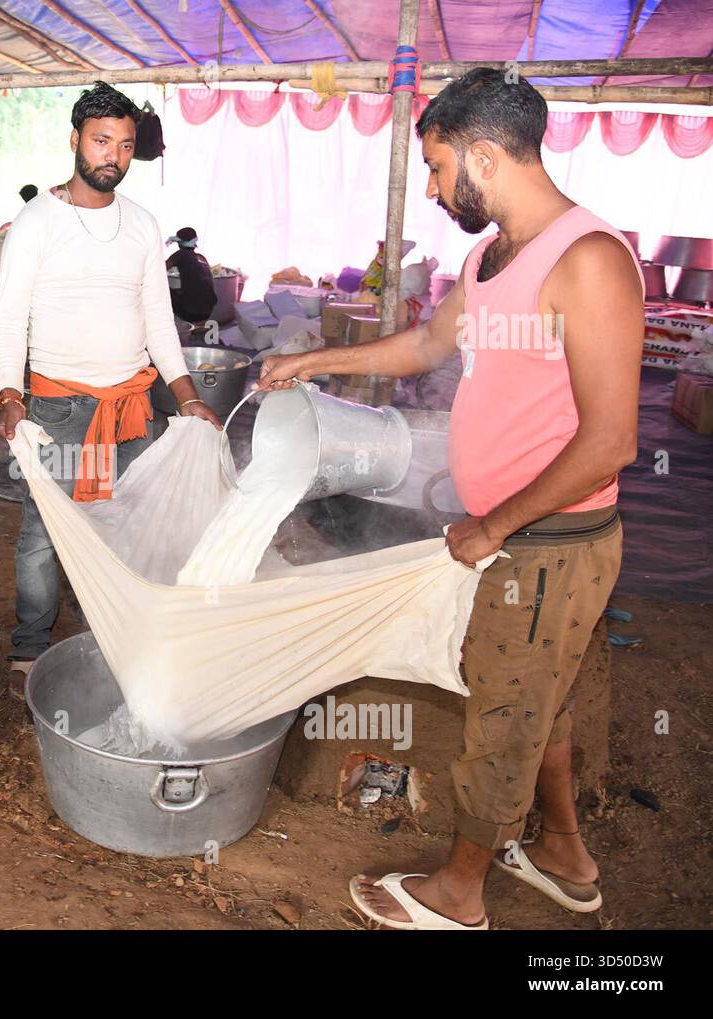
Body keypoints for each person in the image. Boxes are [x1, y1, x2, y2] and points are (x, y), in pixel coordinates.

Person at [257, 68, 643, 929]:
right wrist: (311, 367)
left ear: (485, 155)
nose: (433, 189)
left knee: (502, 714)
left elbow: (613, 439)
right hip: (514, 538)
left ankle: (459, 895)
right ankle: (565, 855)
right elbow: (431, 343)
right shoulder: (491, 253)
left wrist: (495, 522)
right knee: (543, 699)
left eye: (437, 170)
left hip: (549, 544)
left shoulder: (589, 261)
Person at [0, 82, 222, 695]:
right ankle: (29, 648)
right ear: (75, 140)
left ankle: (123, 636)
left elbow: (157, 322)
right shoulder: (38, 221)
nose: (111, 156)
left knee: (130, 519)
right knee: (46, 529)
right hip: (61, 407)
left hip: (133, 407)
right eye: (100, 142)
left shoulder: (143, 225)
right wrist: (11, 398)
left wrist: (187, 393)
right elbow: (10, 318)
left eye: (123, 145)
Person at [165, 226, 216, 327]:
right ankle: (200, 323)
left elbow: (159, 270)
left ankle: (173, 325)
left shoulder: (179, 255)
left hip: (191, 313)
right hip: (209, 312)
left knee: (165, 289)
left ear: (179, 242)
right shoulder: (201, 258)